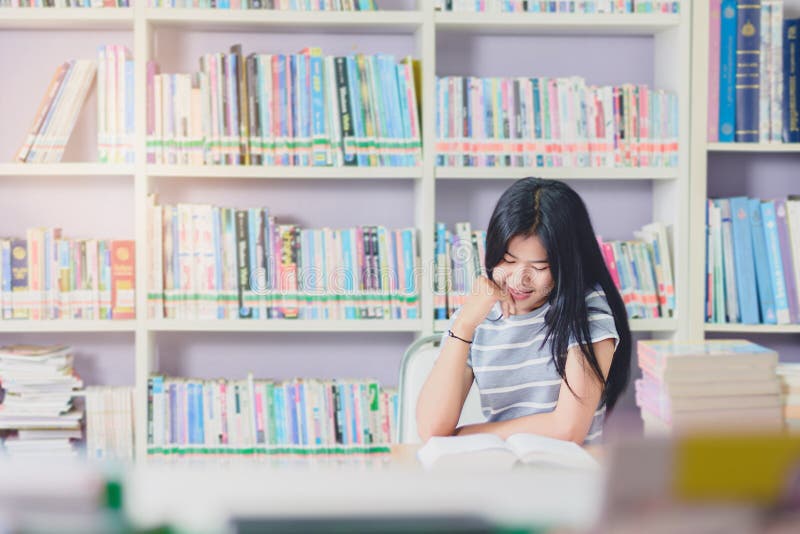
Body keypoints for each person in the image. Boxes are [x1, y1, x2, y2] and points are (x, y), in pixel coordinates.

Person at [416, 177, 631, 445]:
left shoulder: (586, 311)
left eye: (539, 267)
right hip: (502, 474)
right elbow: (431, 428)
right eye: (508, 261)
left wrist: (462, 436)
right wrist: (464, 325)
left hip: (569, 477)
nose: (519, 279)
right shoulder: (477, 315)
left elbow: (567, 429)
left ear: (567, 264)